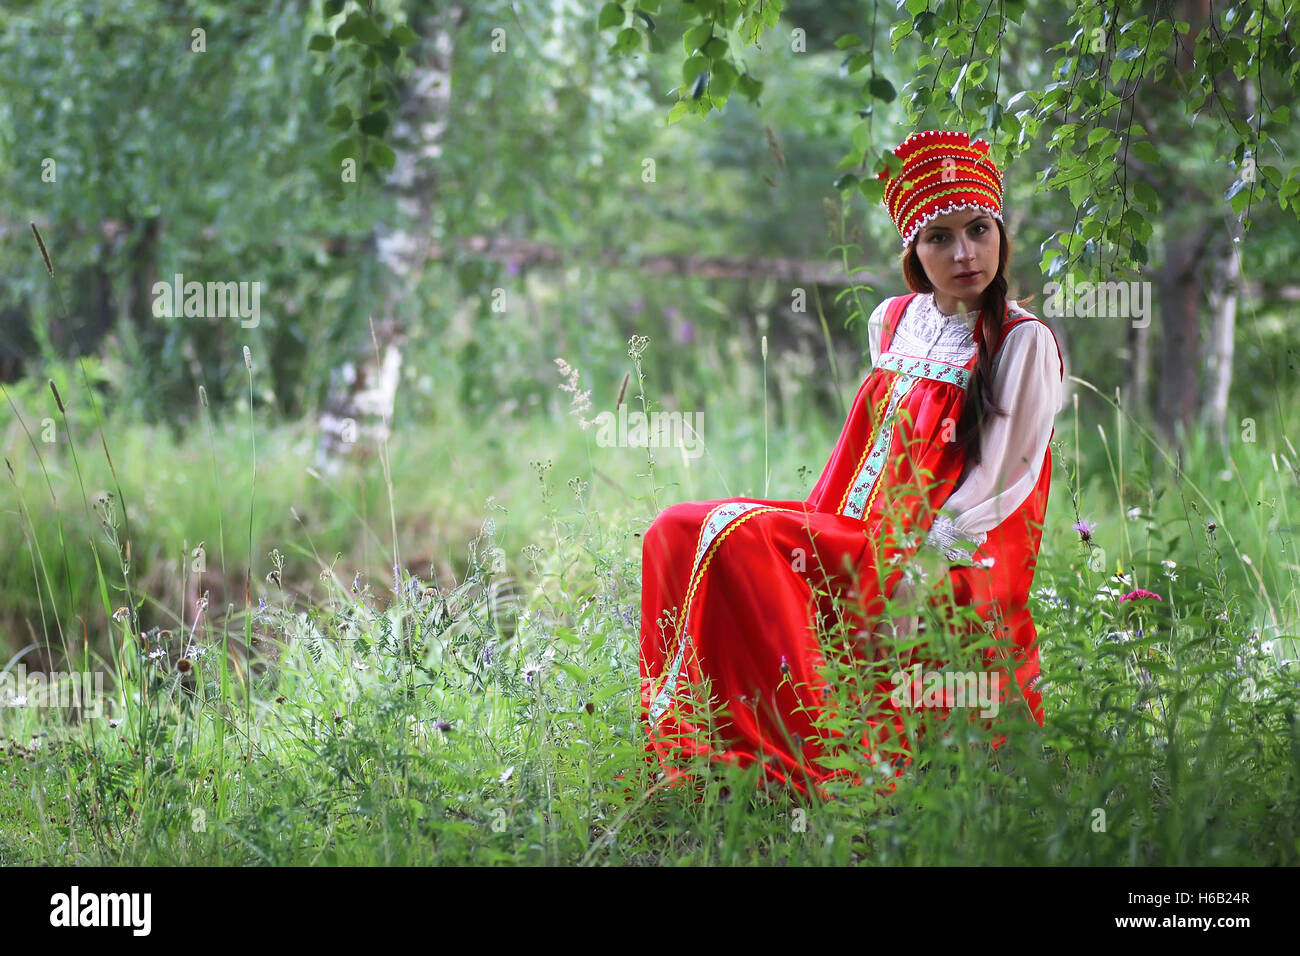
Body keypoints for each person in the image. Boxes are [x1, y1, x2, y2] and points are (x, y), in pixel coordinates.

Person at [639, 129, 1066, 801]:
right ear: (913, 252)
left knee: (738, 535)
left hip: (937, 554)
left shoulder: (1022, 341)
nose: (964, 253)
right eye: (940, 238)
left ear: (1000, 233)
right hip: (848, 527)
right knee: (676, 527)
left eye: (979, 229)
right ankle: (702, 743)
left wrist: (921, 569)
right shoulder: (892, 319)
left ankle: (811, 760)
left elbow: (1002, 484)